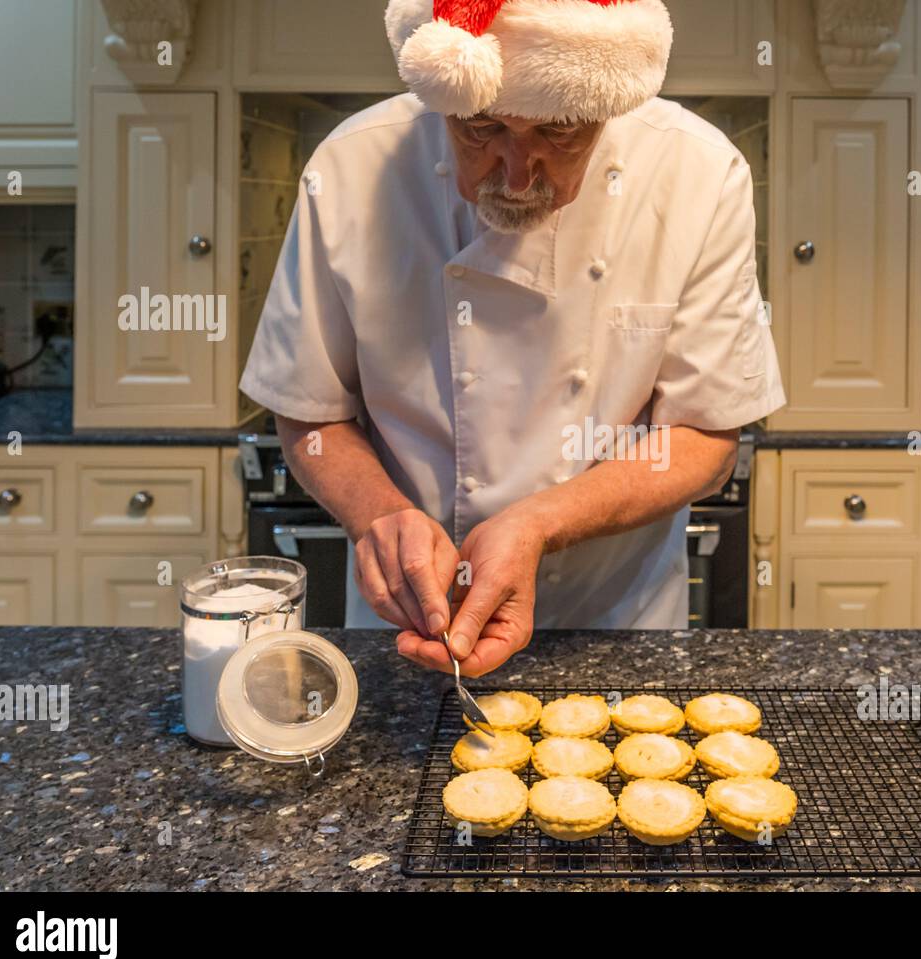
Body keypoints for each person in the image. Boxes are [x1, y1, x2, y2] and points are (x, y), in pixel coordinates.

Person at [239, 0, 785, 676]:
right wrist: (379, 515)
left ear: (606, 106)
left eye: (559, 133)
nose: (516, 174)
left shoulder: (699, 173)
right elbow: (308, 408)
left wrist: (536, 524)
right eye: (482, 128)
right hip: (415, 623)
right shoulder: (350, 169)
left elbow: (705, 435)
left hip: (612, 628)